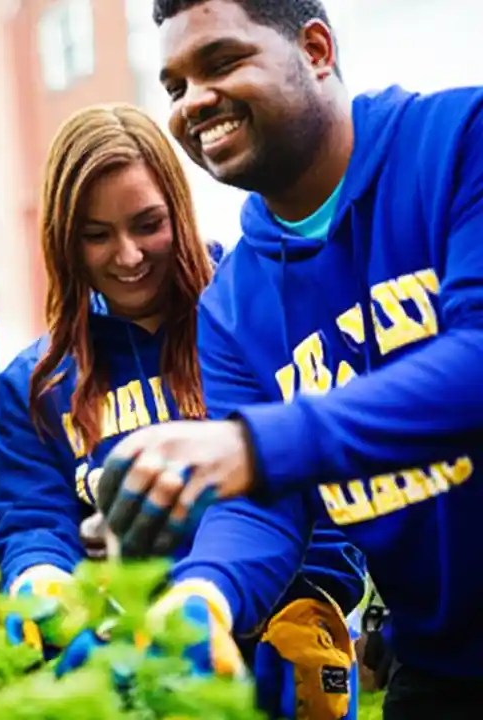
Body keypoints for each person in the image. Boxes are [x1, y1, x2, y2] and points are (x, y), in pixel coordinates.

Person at [87, 1, 483, 716]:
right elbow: (266, 503)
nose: (193, 101)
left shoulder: (460, 143)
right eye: (175, 86)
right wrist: (204, 595)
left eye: (222, 61)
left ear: (317, 49)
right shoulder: (231, 309)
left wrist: (253, 444)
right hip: (439, 668)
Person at [0, 103, 365, 719]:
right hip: (126, 660)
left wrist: (317, 600)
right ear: (63, 239)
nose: (128, 255)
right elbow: (32, 520)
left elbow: (320, 474)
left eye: (148, 225)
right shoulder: (39, 384)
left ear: (179, 212)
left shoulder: (255, 315)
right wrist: (42, 585)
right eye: (97, 235)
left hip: (269, 643)